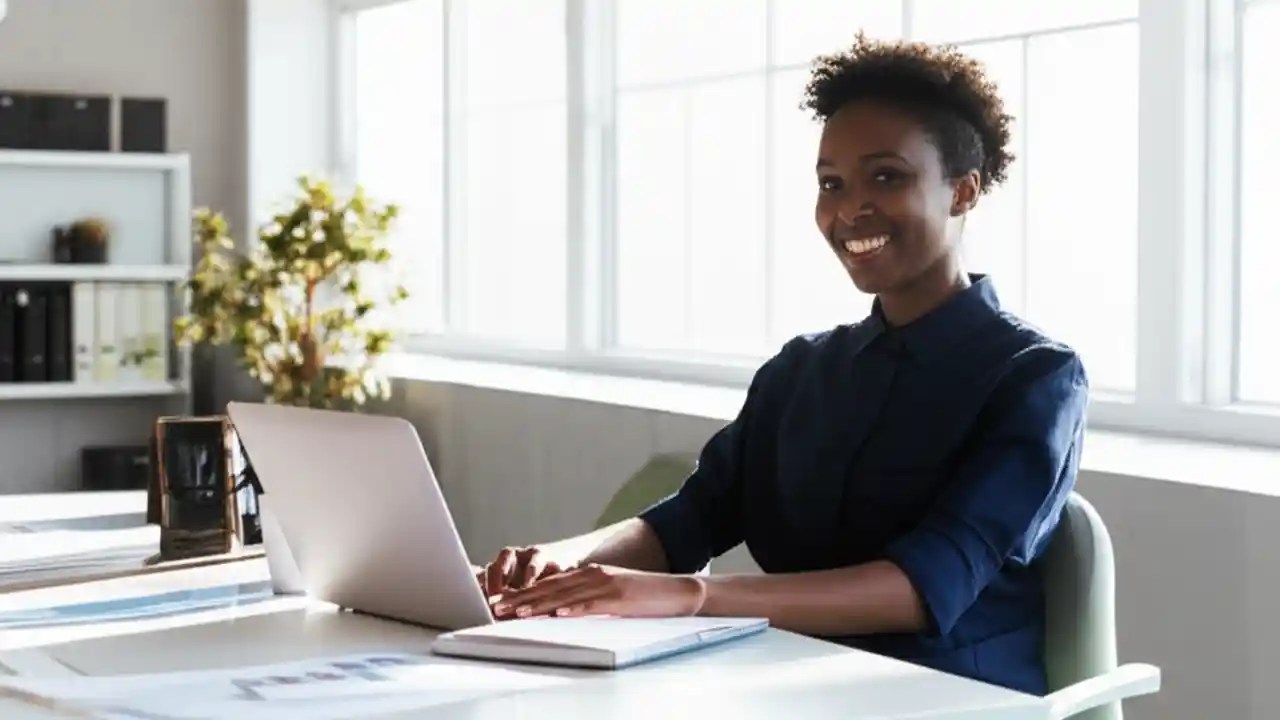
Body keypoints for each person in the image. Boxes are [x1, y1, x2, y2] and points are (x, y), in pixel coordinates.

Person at [476, 34, 1087, 696]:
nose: (850, 207)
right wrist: (555, 563)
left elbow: (921, 587)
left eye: (887, 176)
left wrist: (687, 596)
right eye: (831, 183)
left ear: (962, 192)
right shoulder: (801, 371)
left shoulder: (1036, 379)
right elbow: (689, 520)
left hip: (944, 696)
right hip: (779, 686)